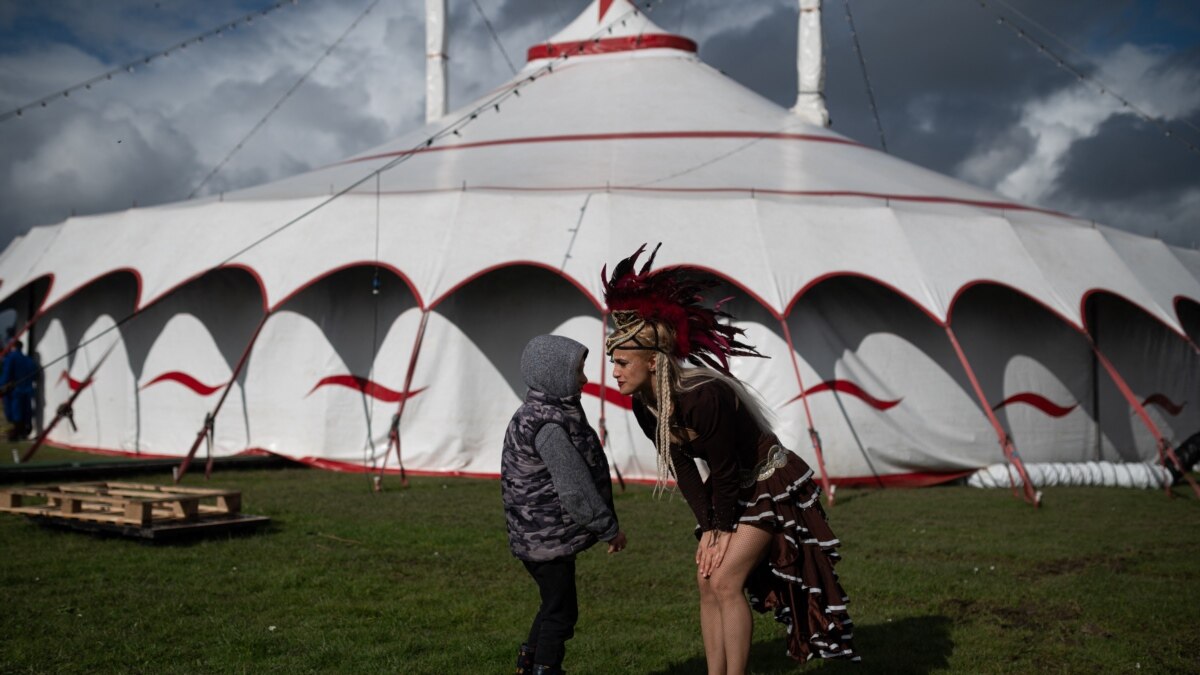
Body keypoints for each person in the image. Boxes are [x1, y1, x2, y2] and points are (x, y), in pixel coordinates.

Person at [603, 244, 858, 671]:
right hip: (728, 487)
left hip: (766, 481)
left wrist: (717, 531)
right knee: (706, 582)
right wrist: (707, 527)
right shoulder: (643, 405)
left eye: (622, 362)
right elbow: (683, 468)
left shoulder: (704, 396)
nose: (614, 372)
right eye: (614, 362)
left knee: (724, 579)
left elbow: (721, 469)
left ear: (652, 360)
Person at [501, 334, 628, 675]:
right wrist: (608, 529)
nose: (585, 380)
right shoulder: (549, 425)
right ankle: (545, 668)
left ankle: (528, 663)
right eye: (578, 372)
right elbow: (574, 487)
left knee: (553, 605)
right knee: (562, 612)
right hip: (546, 539)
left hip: (536, 537)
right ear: (555, 374)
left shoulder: (535, 413)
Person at [0, 340, 38, 441]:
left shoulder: (11, 358)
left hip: (15, 390)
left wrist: (2, 385)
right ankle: (24, 431)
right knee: (25, 412)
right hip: (27, 390)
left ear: (13, 346)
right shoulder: (28, 359)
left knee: (15, 412)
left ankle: (16, 432)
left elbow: (6, 373)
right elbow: (35, 375)